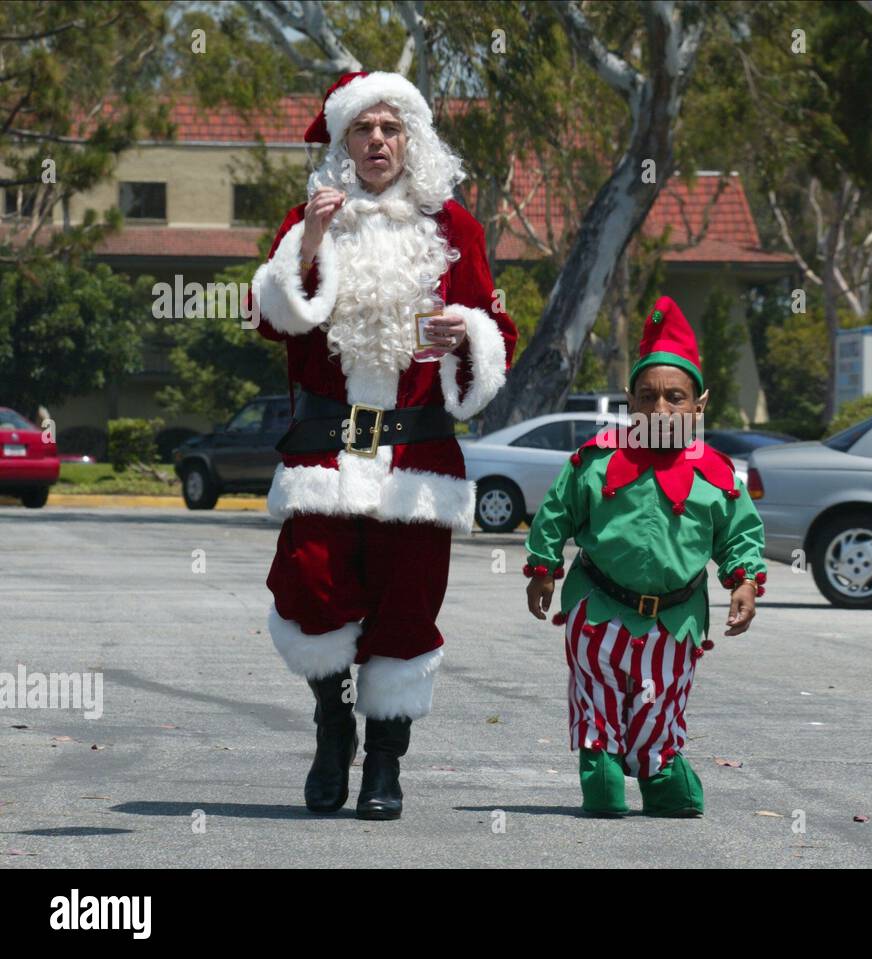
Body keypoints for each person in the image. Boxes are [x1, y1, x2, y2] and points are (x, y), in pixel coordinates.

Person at [249, 71, 517, 820]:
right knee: (313, 593)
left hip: (418, 459)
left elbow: (499, 329)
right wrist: (309, 241)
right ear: (342, 142)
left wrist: (468, 331)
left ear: (412, 140)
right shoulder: (307, 220)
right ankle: (334, 731)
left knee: (407, 605)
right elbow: (274, 319)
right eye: (362, 129)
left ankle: (385, 764)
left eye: (390, 128)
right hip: (325, 458)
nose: (376, 141)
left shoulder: (454, 227)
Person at [522, 296, 766, 817]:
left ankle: (660, 772)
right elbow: (555, 514)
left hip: (675, 622)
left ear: (699, 405)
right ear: (629, 400)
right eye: (648, 396)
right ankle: (603, 771)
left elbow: (739, 534)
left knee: (660, 703)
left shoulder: (718, 475)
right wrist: (543, 570)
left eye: (674, 397)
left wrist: (742, 582)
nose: (660, 409)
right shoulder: (596, 461)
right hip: (597, 613)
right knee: (600, 698)